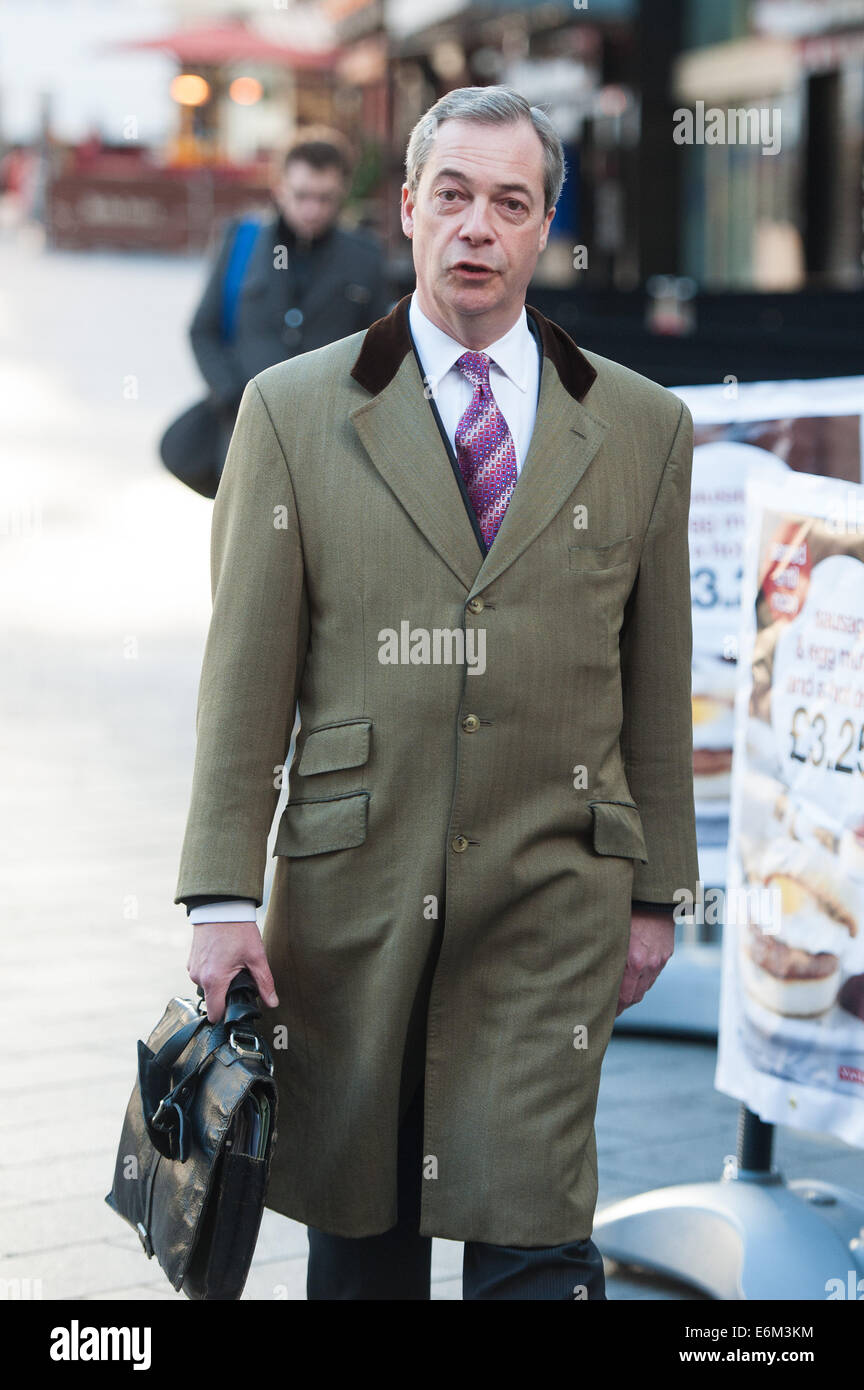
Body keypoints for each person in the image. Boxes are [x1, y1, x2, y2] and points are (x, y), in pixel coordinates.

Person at [175, 86, 699, 1300]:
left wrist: (660, 887)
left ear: (544, 228)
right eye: (452, 195)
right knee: (364, 1246)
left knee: (538, 1237)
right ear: (407, 209)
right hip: (355, 903)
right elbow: (243, 677)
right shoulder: (293, 412)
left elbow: (654, 680)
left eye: (509, 203)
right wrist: (218, 894)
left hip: (553, 898)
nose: (477, 226)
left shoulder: (640, 426)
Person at [188, 127, 391, 463]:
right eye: (301, 196)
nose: (312, 209)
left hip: (330, 449)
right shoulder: (240, 242)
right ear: (279, 189)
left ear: (343, 191)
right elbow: (202, 331)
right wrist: (232, 400)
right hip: (244, 441)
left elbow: (380, 349)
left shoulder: (366, 256)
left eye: (324, 198)